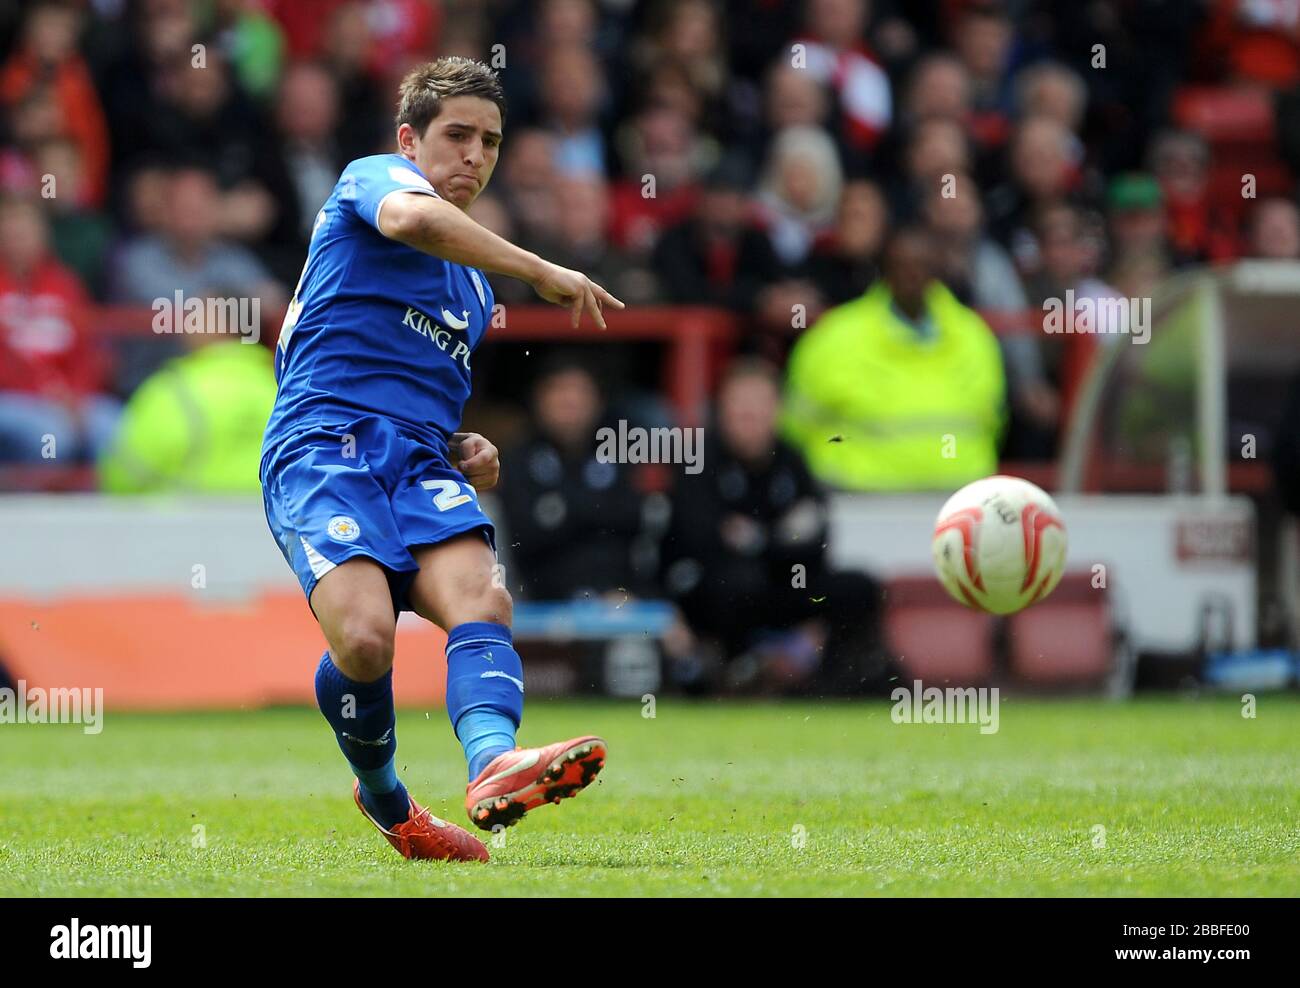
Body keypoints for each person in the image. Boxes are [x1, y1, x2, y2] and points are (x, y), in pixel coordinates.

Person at [259, 57, 623, 862]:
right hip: (323, 444)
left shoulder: (474, 291)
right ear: (408, 140)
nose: (475, 156)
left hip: (419, 459)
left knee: (483, 601)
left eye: (490, 141)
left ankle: (494, 761)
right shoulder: (373, 182)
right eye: (456, 135)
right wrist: (543, 269)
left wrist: (467, 445)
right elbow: (414, 223)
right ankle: (389, 801)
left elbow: (425, 394)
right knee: (364, 639)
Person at [662, 358, 885, 695]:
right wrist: (777, 540)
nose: (750, 417)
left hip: (782, 583)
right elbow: (702, 541)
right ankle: (731, 678)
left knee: (859, 586)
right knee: (733, 583)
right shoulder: (698, 461)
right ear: (721, 410)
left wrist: (758, 541)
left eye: (760, 405)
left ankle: (831, 685)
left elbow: (816, 539)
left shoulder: (792, 459)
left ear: (777, 410)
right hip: (720, 591)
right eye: (740, 406)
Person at [781, 225, 1006, 490]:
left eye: (922, 265)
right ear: (885, 270)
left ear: (939, 271)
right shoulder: (834, 336)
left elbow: (995, 420)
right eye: (902, 265)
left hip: (957, 499)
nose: (912, 274)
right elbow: (796, 425)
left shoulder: (974, 336)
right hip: (856, 497)